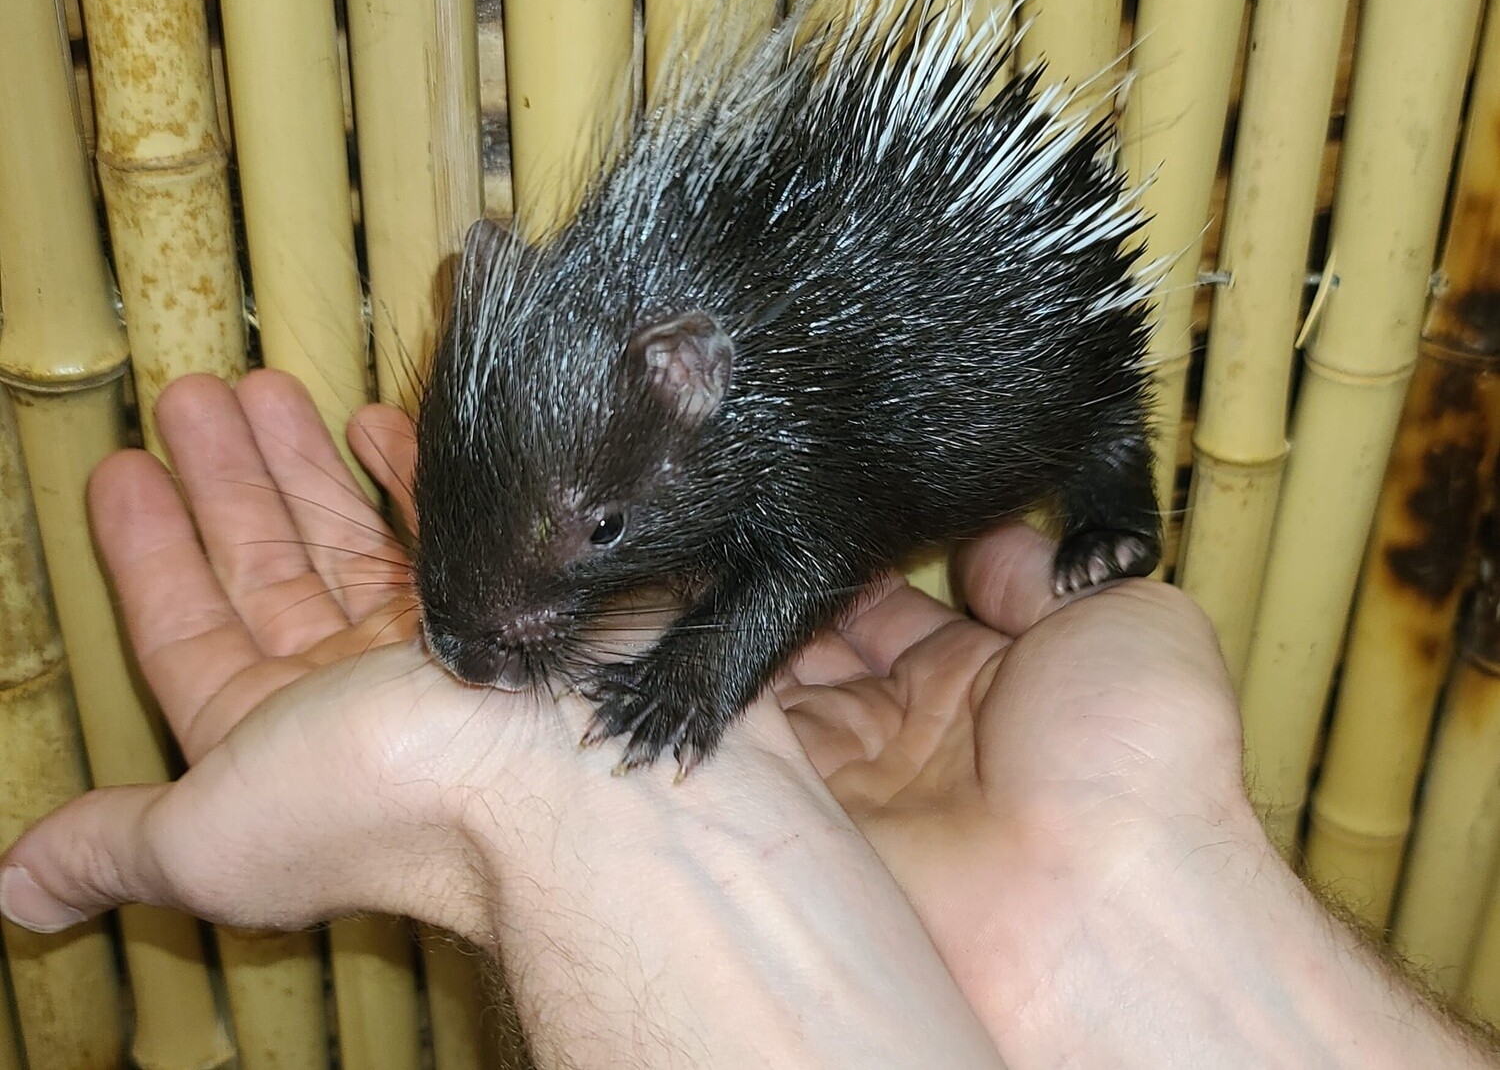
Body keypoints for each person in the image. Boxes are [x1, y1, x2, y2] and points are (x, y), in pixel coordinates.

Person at [0, 369, 1494, 1068]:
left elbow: (782, 567)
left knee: (1054, 422)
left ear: (695, 389)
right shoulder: (687, 430)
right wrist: (1137, 891)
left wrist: (649, 742)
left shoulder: (771, 452)